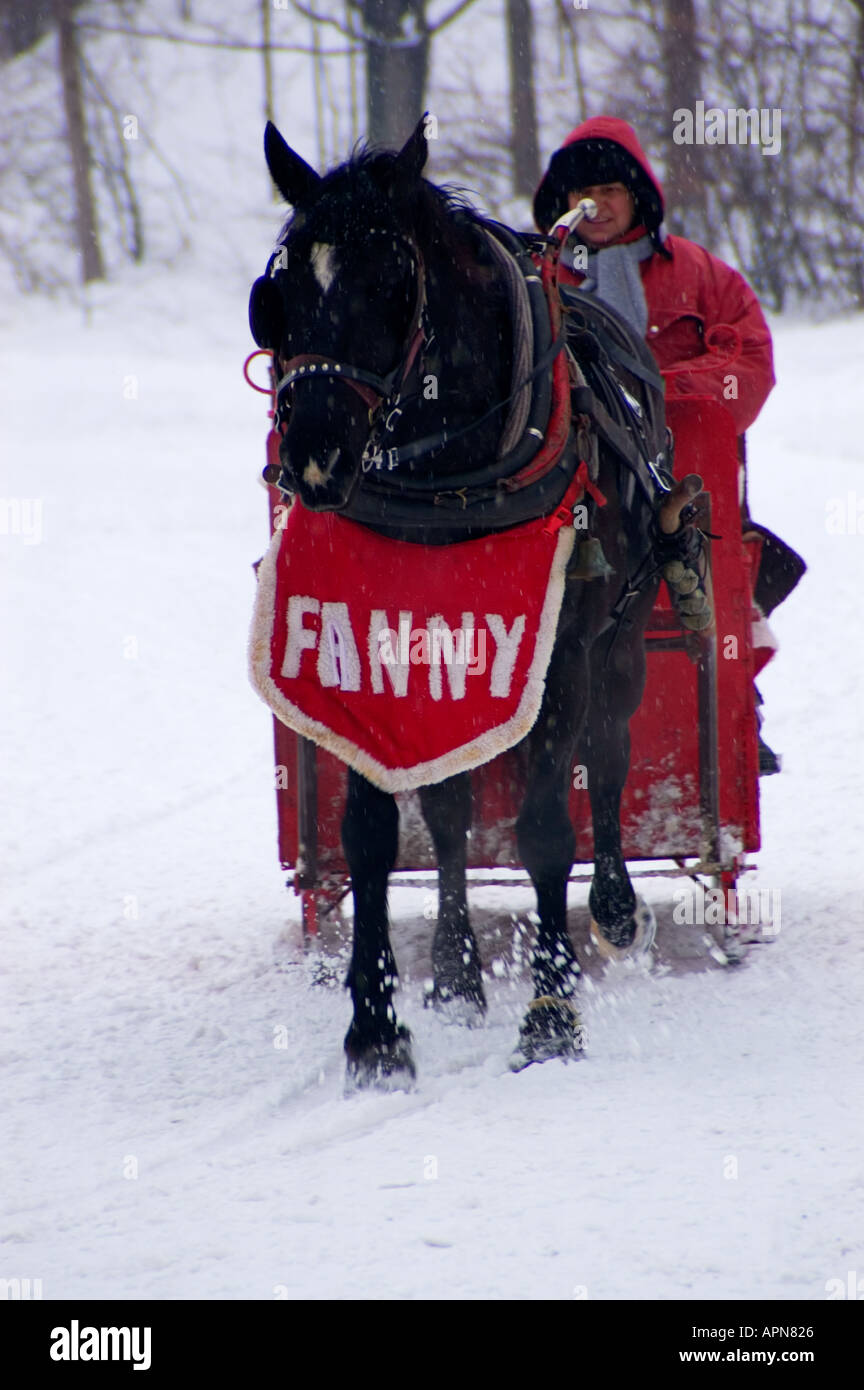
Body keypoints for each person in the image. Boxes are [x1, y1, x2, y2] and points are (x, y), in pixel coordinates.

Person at [533, 115, 805, 773]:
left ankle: (738, 703)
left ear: (638, 196)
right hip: (571, 497)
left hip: (683, 486)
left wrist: (649, 391)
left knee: (746, 565)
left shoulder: (702, 276)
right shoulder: (535, 280)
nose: (591, 205)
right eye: (577, 195)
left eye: (607, 189)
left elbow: (750, 368)